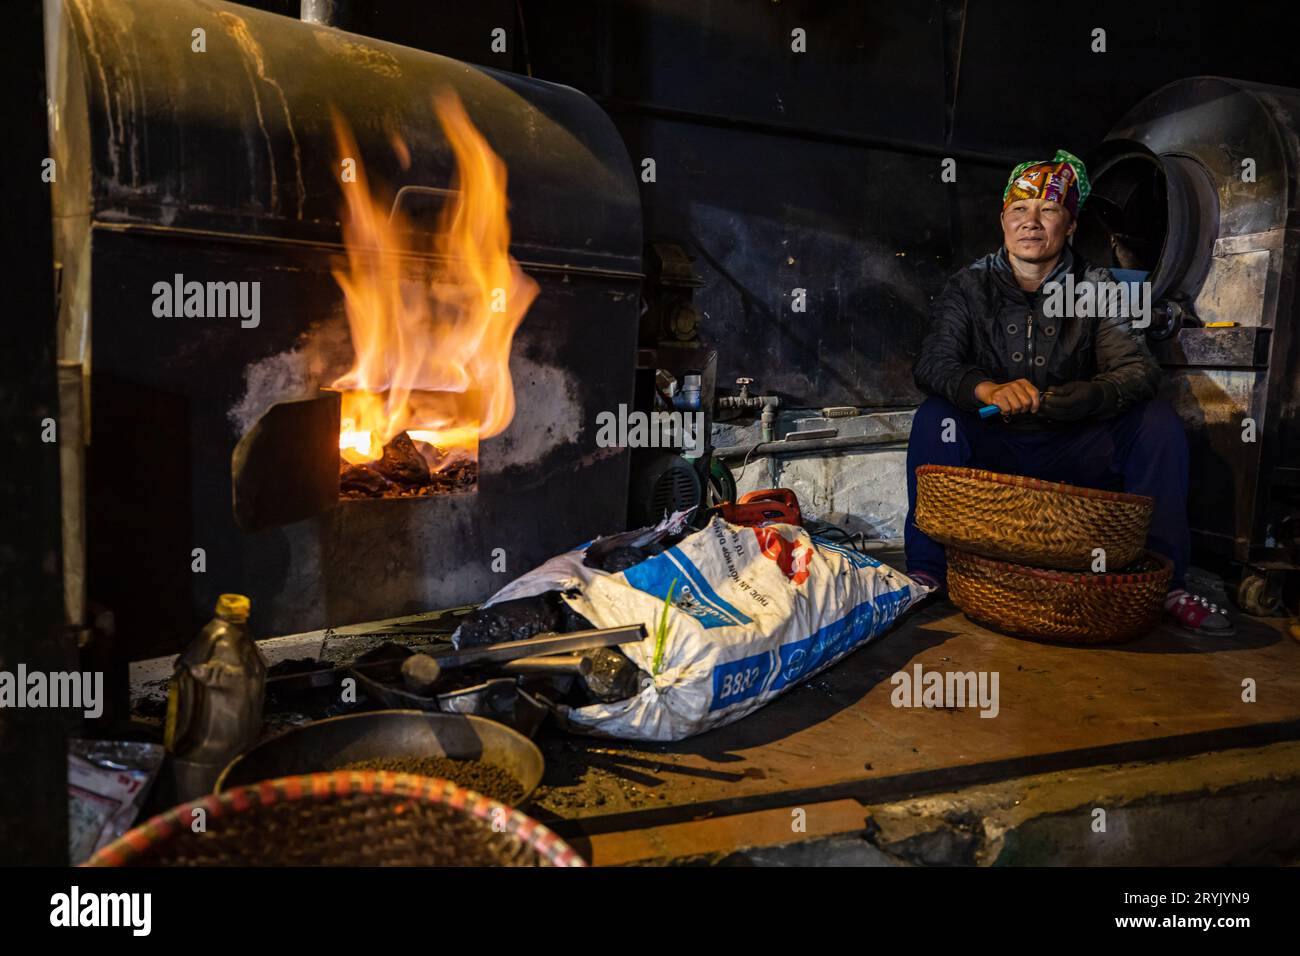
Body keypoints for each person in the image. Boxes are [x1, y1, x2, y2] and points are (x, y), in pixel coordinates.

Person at [905, 149, 1230, 635]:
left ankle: (1167, 583)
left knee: (1156, 422)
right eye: (1020, 209)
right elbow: (934, 363)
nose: (1031, 222)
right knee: (936, 417)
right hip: (996, 450)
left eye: (1049, 209)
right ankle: (926, 573)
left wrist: (1093, 396)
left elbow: (1136, 368)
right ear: (1003, 220)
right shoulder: (970, 285)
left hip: (1073, 448)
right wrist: (986, 388)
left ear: (1071, 224)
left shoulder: (1097, 286)